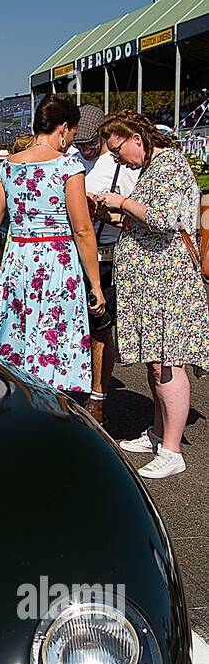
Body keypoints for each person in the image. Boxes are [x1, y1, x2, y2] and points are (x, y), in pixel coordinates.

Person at [95, 110, 209, 479]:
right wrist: (112, 212)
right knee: (155, 361)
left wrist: (122, 202)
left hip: (168, 284)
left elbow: (163, 218)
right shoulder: (152, 170)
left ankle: (172, 450)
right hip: (154, 284)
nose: (116, 159)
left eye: (117, 151)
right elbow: (147, 221)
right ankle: (158, 433)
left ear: (137, 139)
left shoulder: (170, 166)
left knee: (168, 362)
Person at [0, 95, 102, 393]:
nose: (71, 141)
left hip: (18, 260)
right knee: (55, 339)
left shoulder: (7, 167)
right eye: (71, 133)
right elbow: (83, 229)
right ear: (62, 128)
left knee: (16, 339)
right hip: (56, 261)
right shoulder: (68, 165)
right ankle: (52, 408)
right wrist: (95, 284)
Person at [77, 110, 140, 423]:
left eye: (89, 144)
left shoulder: (116, 164)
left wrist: (109, 212)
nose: (84, 149)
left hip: (109, 253)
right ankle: (85, 387)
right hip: (86, 253)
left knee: (100, 327)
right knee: (87, 326)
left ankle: (98, 396)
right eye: (79, 144)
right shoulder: (78, 159)